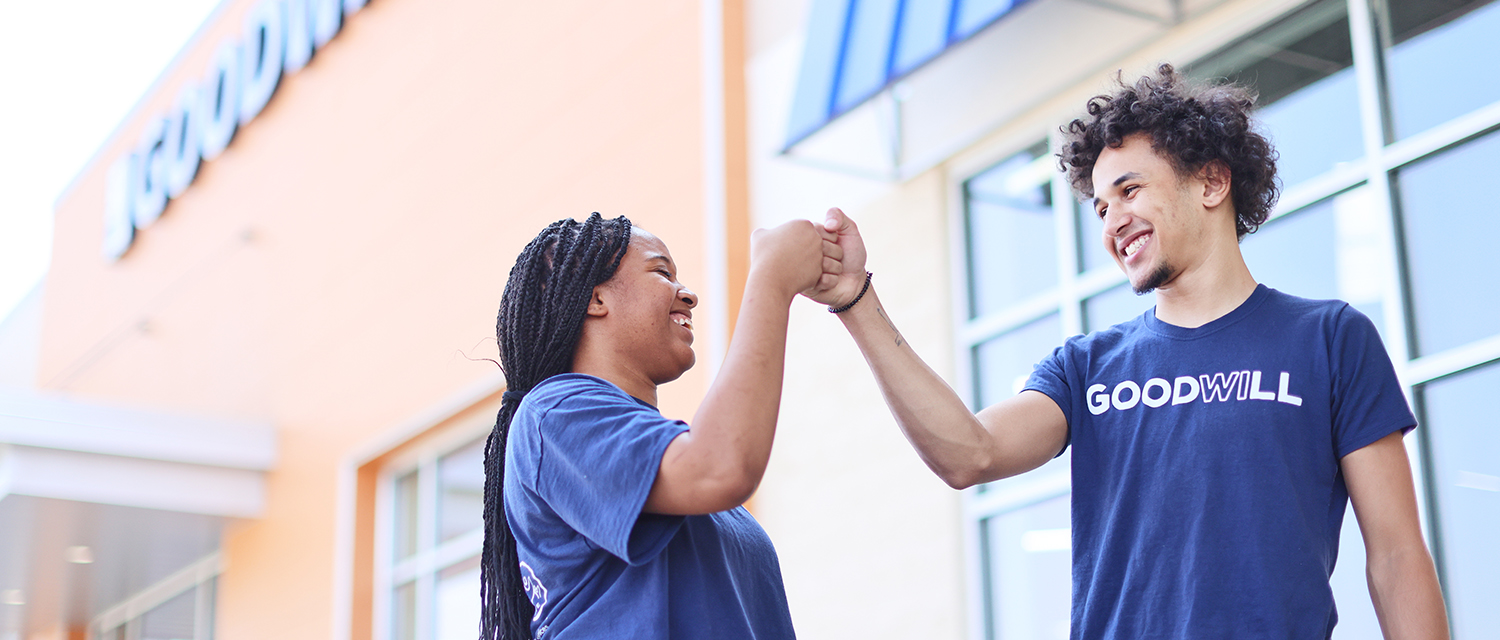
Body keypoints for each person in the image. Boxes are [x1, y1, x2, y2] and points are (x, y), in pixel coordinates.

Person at [809, 64, 1450, 638]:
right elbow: (968, 453)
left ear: (1211, 182)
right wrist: (855, 300)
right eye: (1100, 205)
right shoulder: (1086, 366)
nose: (1112, 220)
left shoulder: (1329, 338)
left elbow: (1396, 556)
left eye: (1130, 190)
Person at [479, 212, 836, 639]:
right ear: (595, 298)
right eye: (662, 272)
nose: (688, 295)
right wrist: (771, 278)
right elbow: (721, 465)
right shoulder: (553, 414)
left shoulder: (705, 500)